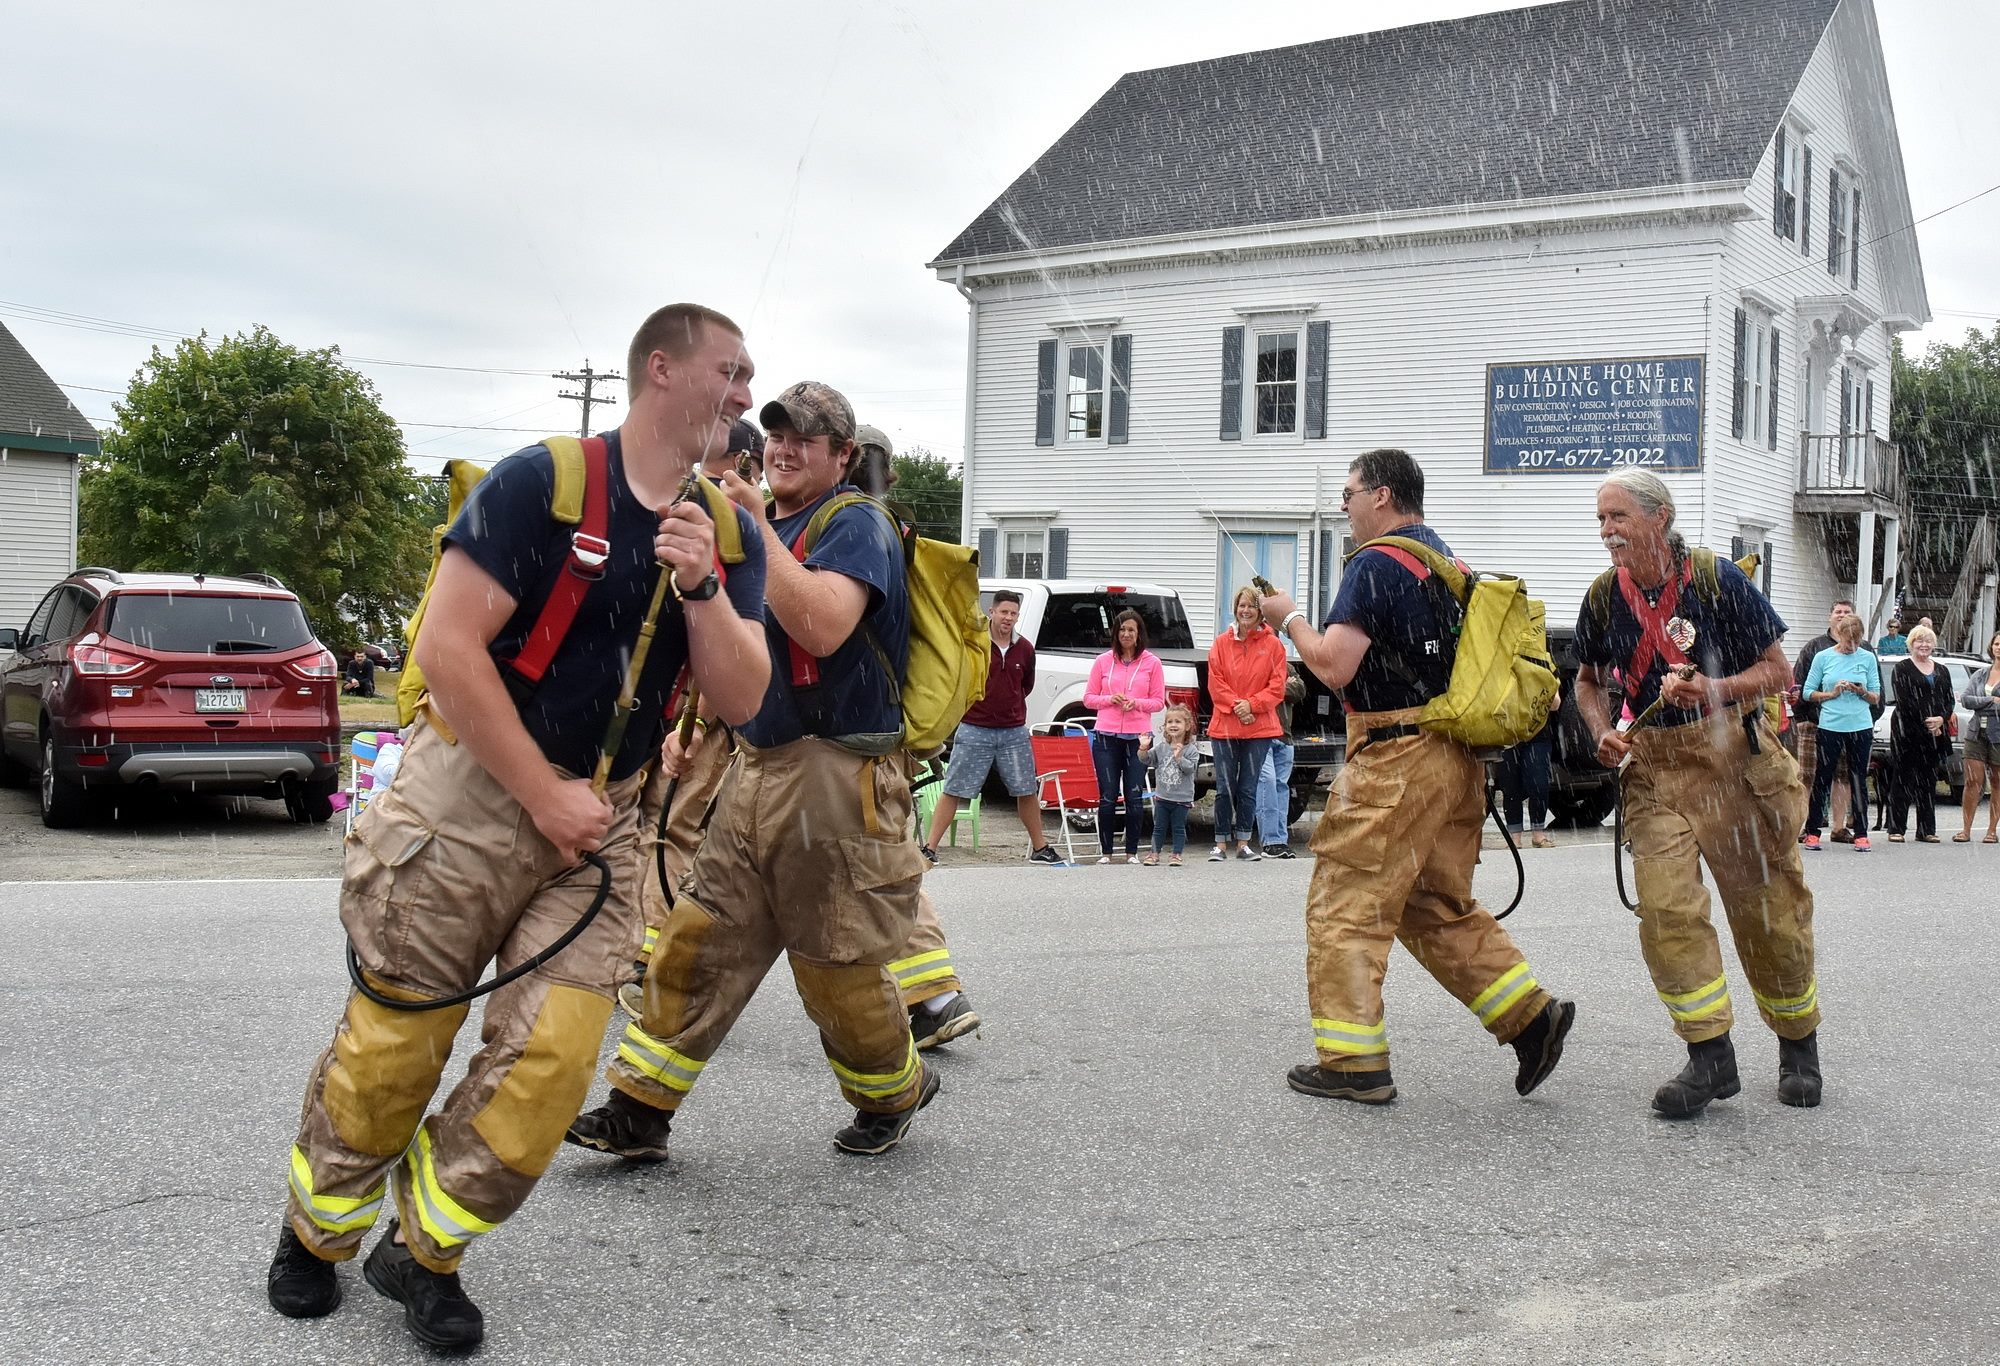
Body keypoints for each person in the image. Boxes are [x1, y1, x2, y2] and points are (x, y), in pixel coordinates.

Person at [265, 303, 771, 1347]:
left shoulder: (722, 533)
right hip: (469, 799)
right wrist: (543, 795)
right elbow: (447, 648)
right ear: (661, 370)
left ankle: (424, 1251)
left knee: (552, 1060)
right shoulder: (541, 482)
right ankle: (315, 1235)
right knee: (395, 1047)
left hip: (604, 827)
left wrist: (703, 588)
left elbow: (742, 695)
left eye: (750, 374)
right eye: (731, 369)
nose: (746, 392)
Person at [567, 380, 942, 1164]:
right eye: (776, 434)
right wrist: (690, 726)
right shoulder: (761, 521)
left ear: (843, 454)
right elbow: (733, 639)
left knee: (837, 966)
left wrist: (753, 529)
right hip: (755, 767)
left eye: (805, 438)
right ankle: (639, 1109)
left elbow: (822, 625)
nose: (783, 449)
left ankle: (894, 1092)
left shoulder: (855, 522)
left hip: (838, 777)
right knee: (698, 942)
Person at [1256, 448, 1575, 1106]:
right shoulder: (1446, 564)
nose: (1343, 506)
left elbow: (1334, 666)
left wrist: (1287, 616)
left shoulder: (1374, 563)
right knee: (1432, 906)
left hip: (1395, 759)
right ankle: (1531, 1019)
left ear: (1381, 495)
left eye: (1348, 494)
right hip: (1454, 759)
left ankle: (1352, 1063)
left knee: (1346, 905)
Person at [1575, 469, 1820, 1118]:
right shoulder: (1603, 596)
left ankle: (1799, 1046)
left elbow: (1778, 671)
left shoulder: (1718, 581)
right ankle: (1710, 1056)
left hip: (1730, 760)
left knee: (1767, 913)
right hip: (1653, 772)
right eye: (1601, 519)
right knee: (1666, 912)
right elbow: (1587, 683)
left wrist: (1714, 689)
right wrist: (1602, 731)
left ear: (1659, 518)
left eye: (1618, 517)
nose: (1607, 532)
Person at [846, 420, 988, 1048]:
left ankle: (932, 998)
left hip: (855, 733)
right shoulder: (897, 532)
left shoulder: (854, 530)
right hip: (890, 727)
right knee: (881, 864)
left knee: (881, 866)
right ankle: (931, 996)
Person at [621, 418, 768, 1012]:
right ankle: (640, 953)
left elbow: (723, 639)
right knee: (657, 828)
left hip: (699, 714)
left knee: (671, 828)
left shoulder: (726, 523)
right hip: (672, 709)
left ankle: (650, 962)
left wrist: (698, 723)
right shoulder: (704, 515)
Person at [921, 587, 1064, 866]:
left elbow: (1026, 685)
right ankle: (929, 848)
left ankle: (1040, 848)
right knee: (954, 788)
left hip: (1013, 731)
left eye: (1013, 613)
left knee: (1026, 789)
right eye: (1003, 612)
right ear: (992, 612)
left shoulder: (1025, 649)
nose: (1008, 618)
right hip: (974, 727)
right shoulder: (974, 644)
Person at [1206, 585, 1288, 862]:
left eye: (1252, 605)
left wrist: (1251, 705)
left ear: (1261, 611)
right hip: (1225, 727)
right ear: (1235, 609)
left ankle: (1243, 843)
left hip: (1259, 728)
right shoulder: (1220, 643)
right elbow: (1215, 683)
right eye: (1242, 605)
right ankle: (1220, 844)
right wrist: (1239, 707)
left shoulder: (1273, 645)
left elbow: (1277, 687)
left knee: (1248, 788)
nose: (1246, 610)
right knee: (1225, 788)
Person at [1083, 608, 1163, 863]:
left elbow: (1158, 701)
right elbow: (1088, 699)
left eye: (1131, 630)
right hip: (1106, 735)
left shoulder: (1152, 663)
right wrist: (1109, 699)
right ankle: (1106, 852)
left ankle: (1131, 852)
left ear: (1139, 634)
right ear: (1116, 633)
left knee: (1134, 794)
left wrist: (1136, 703)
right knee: (1107, 795)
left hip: (1138, 737)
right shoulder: (1103, 661)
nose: (1126, 634)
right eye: (1122, 630)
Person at [1790, 600, 1873, 841]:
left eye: (1847, 612)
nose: (1842, 615)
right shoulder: (1815, 648)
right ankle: (1804, 826)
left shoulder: (1865, 650)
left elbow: (1876, 690)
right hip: (1816, 722)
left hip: (1855, 724)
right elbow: (1801, 685)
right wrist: (1803, 716)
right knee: (1810, 776)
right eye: (1838, 612)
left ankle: (1838, 827)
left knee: (1845, 776)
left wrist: (1866, 709)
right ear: (1830, 617)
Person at [1884, 624, 1954, 843]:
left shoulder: (1942, 670)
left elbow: (1949, 699)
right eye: (1919, 641)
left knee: (1928, 780)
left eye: (1928, 641)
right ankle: (1896, 828)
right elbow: (1904, 699)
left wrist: (1941, 718)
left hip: (1934, 733)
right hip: (1907, 730)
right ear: (1911, 644)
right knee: (1902, 779)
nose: (1924, 645)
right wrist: (1927, 720)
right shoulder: (1902, 668)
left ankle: (1926, 830)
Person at [1497, 689, 1563, 849]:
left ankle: (1538, 835)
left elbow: (1556, 704)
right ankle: (1514, 838)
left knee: (1539, 784)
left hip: (1538, 734)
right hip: (1507, 733)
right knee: (1510, 786)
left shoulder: (1543, 673)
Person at [1256, 669, 1309, 859]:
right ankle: (1270, 842)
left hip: (1285, 736)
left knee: (1281, 787)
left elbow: (1300, 690)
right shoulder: (1255, 662)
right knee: (1267, 783)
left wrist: (1273, 688)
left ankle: (1280, 841)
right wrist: (1282, 687)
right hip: (1261, 734)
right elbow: (1254, 692)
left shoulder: (1285, 664)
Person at [1140, 703, 1200, 865]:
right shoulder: (1161, 747)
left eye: (1178, 722)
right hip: (1162, 796)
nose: (1173, 725)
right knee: (1158, 827)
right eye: (1169, 722)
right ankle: (1154, 853)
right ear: (1165, 726)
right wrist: (1143, 748)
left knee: (1178, 828)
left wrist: (1179, 757)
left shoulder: (1191, 750)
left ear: (1187, 726)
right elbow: (1147, 760)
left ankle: (1176, 854)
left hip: (1182, 798)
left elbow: (1190, 769)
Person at [1957, 631, 2000, 843]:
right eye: (1997, 644)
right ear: (1992, 647)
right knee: (1972, 781)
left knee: (1997, 782)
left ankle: (1992, 830)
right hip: (1975, 732)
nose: (1999, 648)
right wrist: (1991, 700)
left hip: (1998, 735)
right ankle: (1965, 829)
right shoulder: (1981, 674)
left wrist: (1980, 702)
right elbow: (1966, 700)